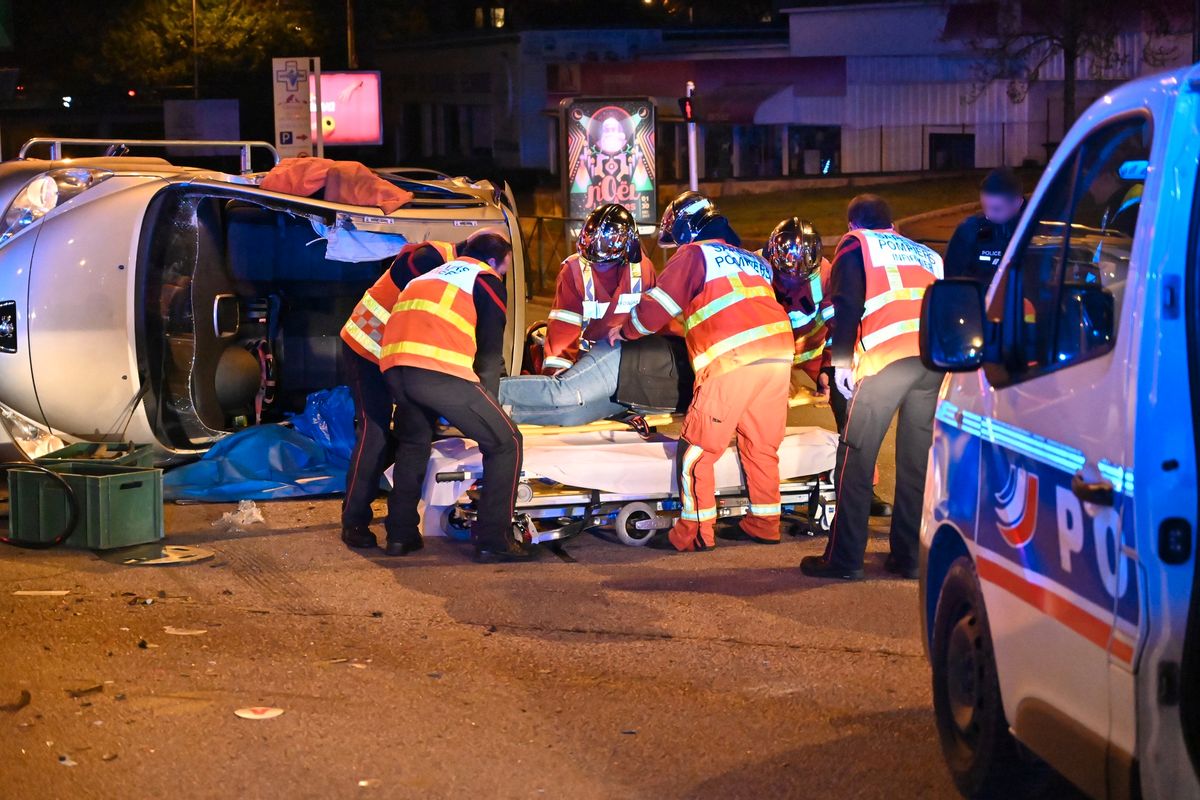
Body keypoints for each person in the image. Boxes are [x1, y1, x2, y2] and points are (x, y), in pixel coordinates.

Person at [610, 192, 793, 552]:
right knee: (760, 446)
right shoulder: (754, 261)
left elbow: (657, 307)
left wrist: (625, 330)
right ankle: (764, 522)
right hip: (777, 356)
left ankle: (693, 533)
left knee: (696, 451)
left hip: (731, 358)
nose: (676, 244)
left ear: (685, 226)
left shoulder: (694, 254)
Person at [800, 195, 943, 581]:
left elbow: (847, 305)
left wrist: (841, 361)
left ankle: (845, 559)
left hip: (885, 362)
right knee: (915, 463)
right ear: (892, 224)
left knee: (856, 458)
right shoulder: (926, 254)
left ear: (852, 226)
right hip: (931, 362)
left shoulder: (857, 245)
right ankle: (909, 557)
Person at [379, 232, 533, 562]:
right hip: (437, 369)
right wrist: (491, 411)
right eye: (504, 268)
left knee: (413, 443)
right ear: (493, 261)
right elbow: (490, 355)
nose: (502, 274)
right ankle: (495, 540)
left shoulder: (431, 276)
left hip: (396, 368)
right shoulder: (485, 278)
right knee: (506, 442)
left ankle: (400, 535)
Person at [499, 205, 693, 426]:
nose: (597, 267)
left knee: (571, 414)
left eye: (606, 262)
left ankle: (481, 406)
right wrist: (557, 373)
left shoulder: (642, 269)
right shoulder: (574, 270)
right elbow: (564, 327)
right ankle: (477, 398)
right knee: (563, 396)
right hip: (607, 359)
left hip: (631, 366)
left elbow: (659, 321)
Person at [762, 218, 893, 518]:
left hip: (814, 351)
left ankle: (861, 488)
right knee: (756, 413)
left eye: (800, 277)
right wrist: (778, 373)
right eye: (785, 277)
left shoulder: (827, 276)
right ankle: (754, 483)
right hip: (769, 351)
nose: (792, 283)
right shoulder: (758, 268)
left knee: (851, 405)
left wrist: (829, 366)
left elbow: (840, 326)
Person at [339, 238, 457, 550]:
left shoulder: (448, 266)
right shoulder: (432, 259)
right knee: (374, 431)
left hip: (403, 355)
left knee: (416, 434)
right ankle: (354, 523)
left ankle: (402, 532)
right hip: (367, 348)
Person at [944, 167, 1024, 286]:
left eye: (996, 209)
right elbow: (951, 279)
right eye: (984, 207)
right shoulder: (969, 230)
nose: (989, 214)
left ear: (1017, 203)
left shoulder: (1032, 231)